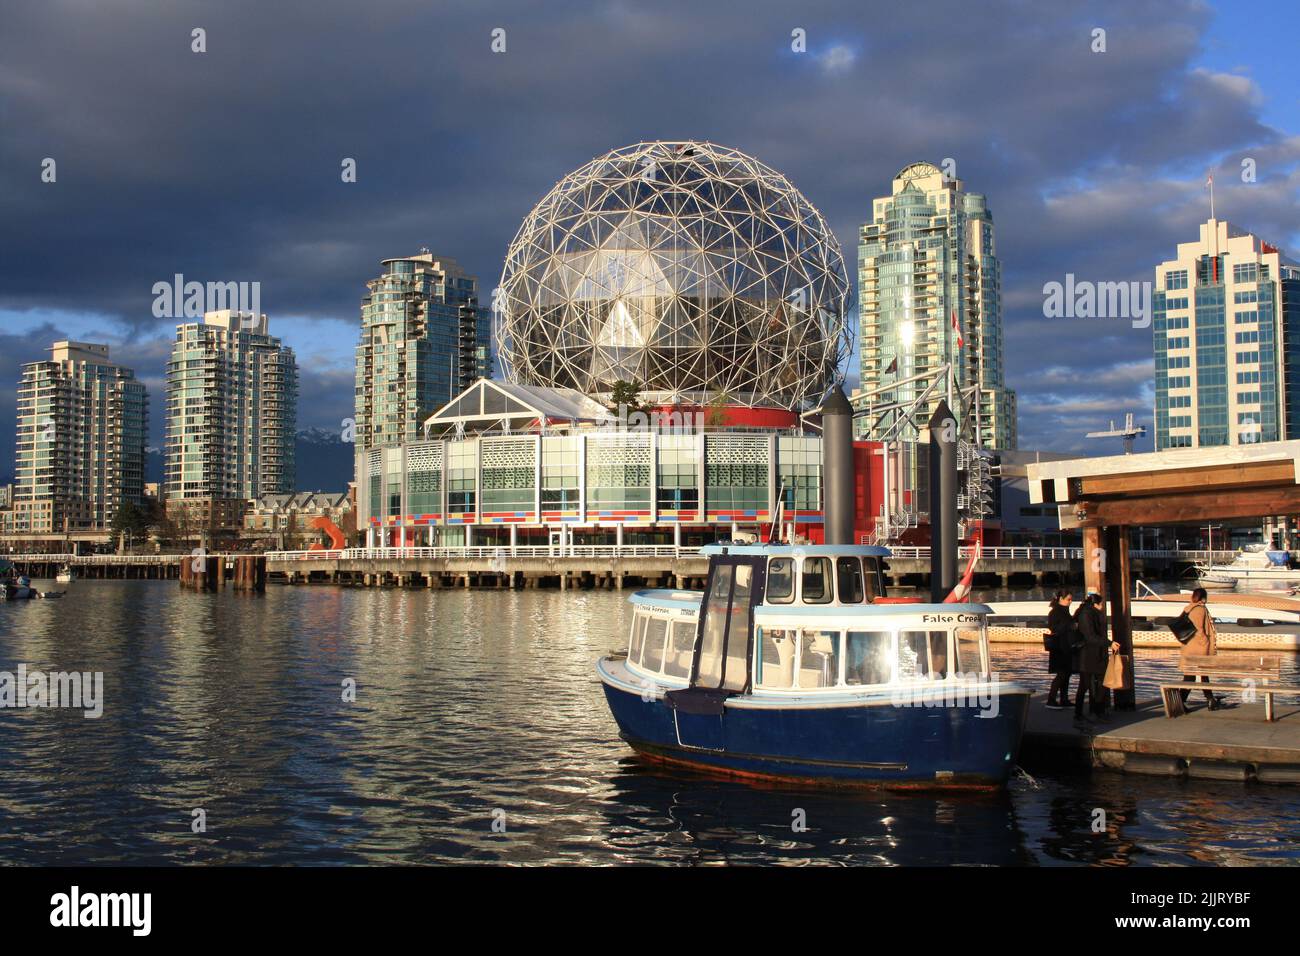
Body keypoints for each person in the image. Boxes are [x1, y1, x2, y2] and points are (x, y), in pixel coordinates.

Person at [1074, 591, 1119, 725]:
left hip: (1095, 654)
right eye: (1101, 604)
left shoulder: (1089, 613)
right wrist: (1110, 643)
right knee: (1086, 685)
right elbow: (1090, 636)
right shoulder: (1086, 614)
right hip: (1088, 655)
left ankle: (1095, 711)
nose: (1102, 606)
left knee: (1100, 683)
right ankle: (1081, 713)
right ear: (1095, 604)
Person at [1179, 587, 1221, 710]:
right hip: (1198, 648)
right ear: (1203, 597)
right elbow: (1199, 629)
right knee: (1194, 676)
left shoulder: (1188, 608)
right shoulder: (1199, 610)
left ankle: (1210, 699)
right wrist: (1205, 641)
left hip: (1189, 647)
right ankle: (1181, 701)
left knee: (1196, 675)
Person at [1045, 590, 1076, 710]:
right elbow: (1053, 628)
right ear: (1061, 599)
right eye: (1068, 599)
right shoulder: (1055, 612)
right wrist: (1069, 625)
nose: (1070, 601)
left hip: (1067, 646)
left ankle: (1064, 699)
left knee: (1066, 674)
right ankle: (1051, 699)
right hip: (1059, 647)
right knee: (1061, 674)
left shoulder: (1064, 611)